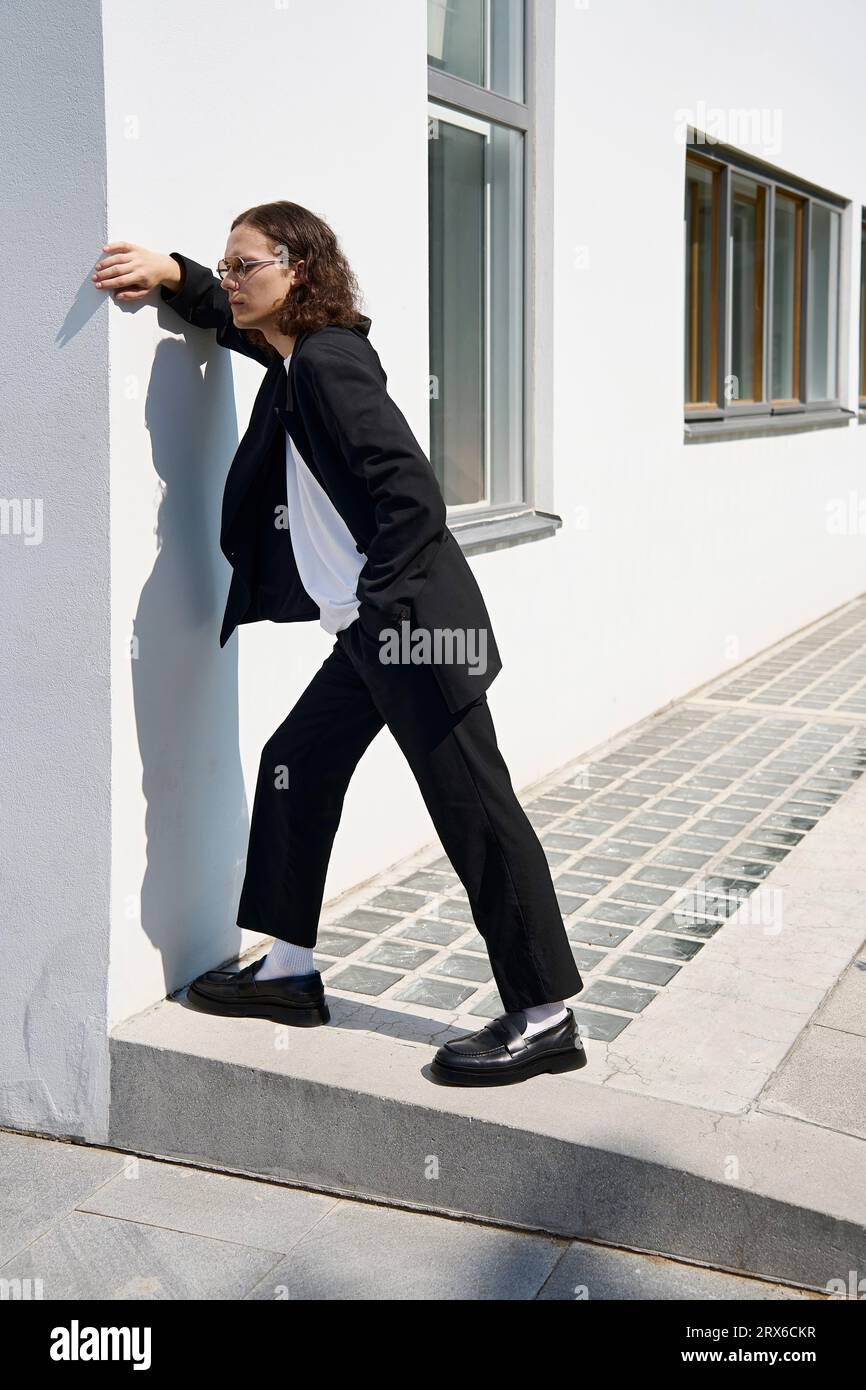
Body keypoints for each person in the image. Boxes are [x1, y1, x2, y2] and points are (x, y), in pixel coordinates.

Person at [93, 200, 585, 1086]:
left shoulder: (327, 364)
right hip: (369, 634)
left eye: (248, 265)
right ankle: (288, 974)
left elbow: (413, 499)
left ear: (300, 271)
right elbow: (229, 321)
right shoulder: (292, 357)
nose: (233, 279)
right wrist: (174, 272)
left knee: (474, 809)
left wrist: (378, 604)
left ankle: (545, 1015)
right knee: (296, 762)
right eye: (228, 265)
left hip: (408, 634)